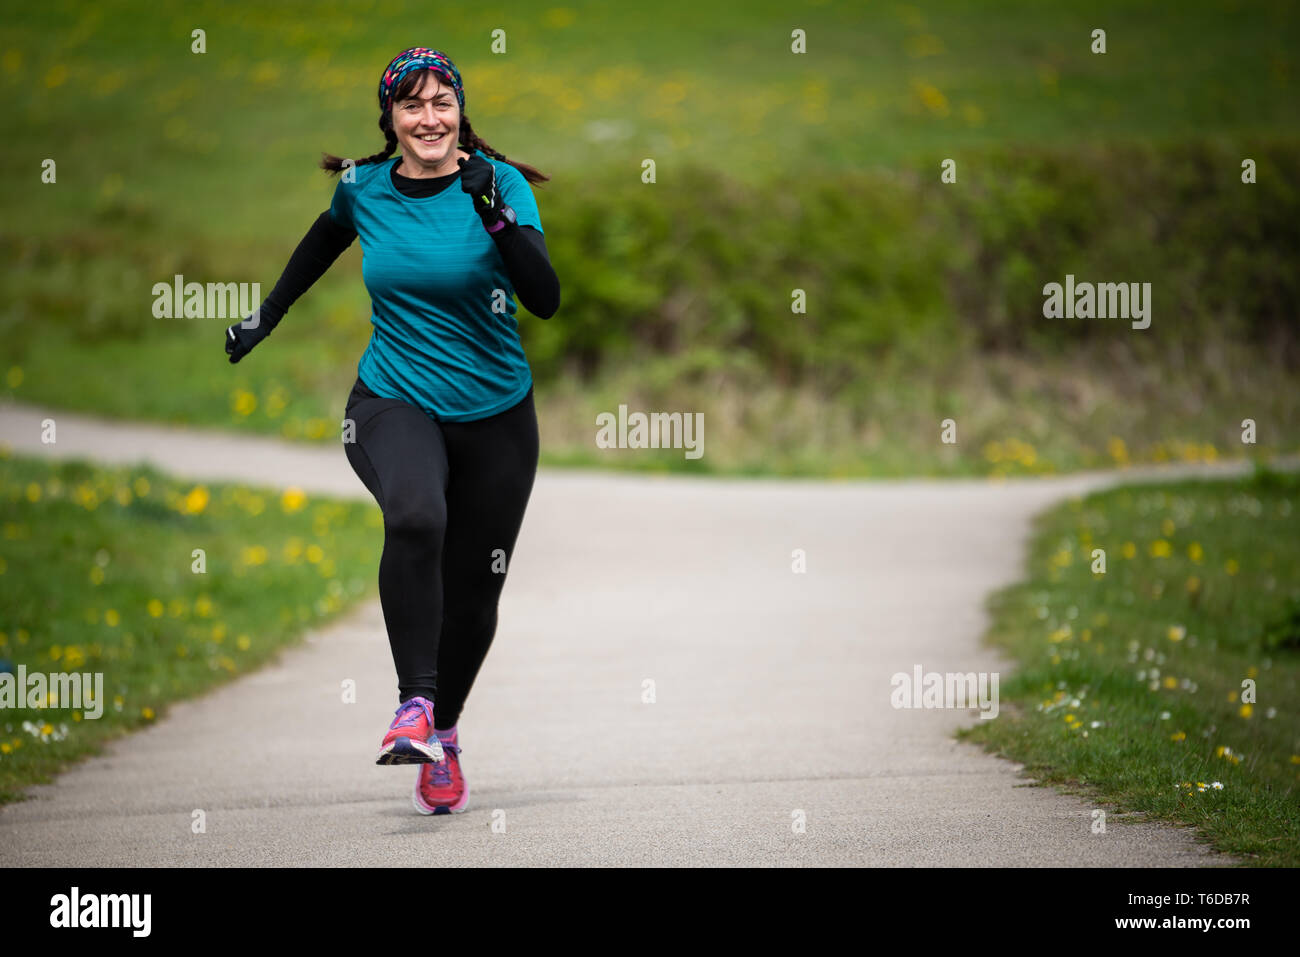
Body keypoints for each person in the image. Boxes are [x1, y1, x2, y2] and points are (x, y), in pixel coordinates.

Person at [224, 47, 560, 815]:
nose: (428, 117)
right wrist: (265, 315)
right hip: (392, 399)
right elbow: (321, 239)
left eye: (441, 101)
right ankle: (413, 703)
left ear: (460, 112)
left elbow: (543, 298)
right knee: (415, 514)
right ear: (391, 120)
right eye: (411, 105)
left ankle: (442, 732)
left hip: (498, 417)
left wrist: (496, 216)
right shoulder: (363, 187)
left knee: (475, 596)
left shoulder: (498, 186)